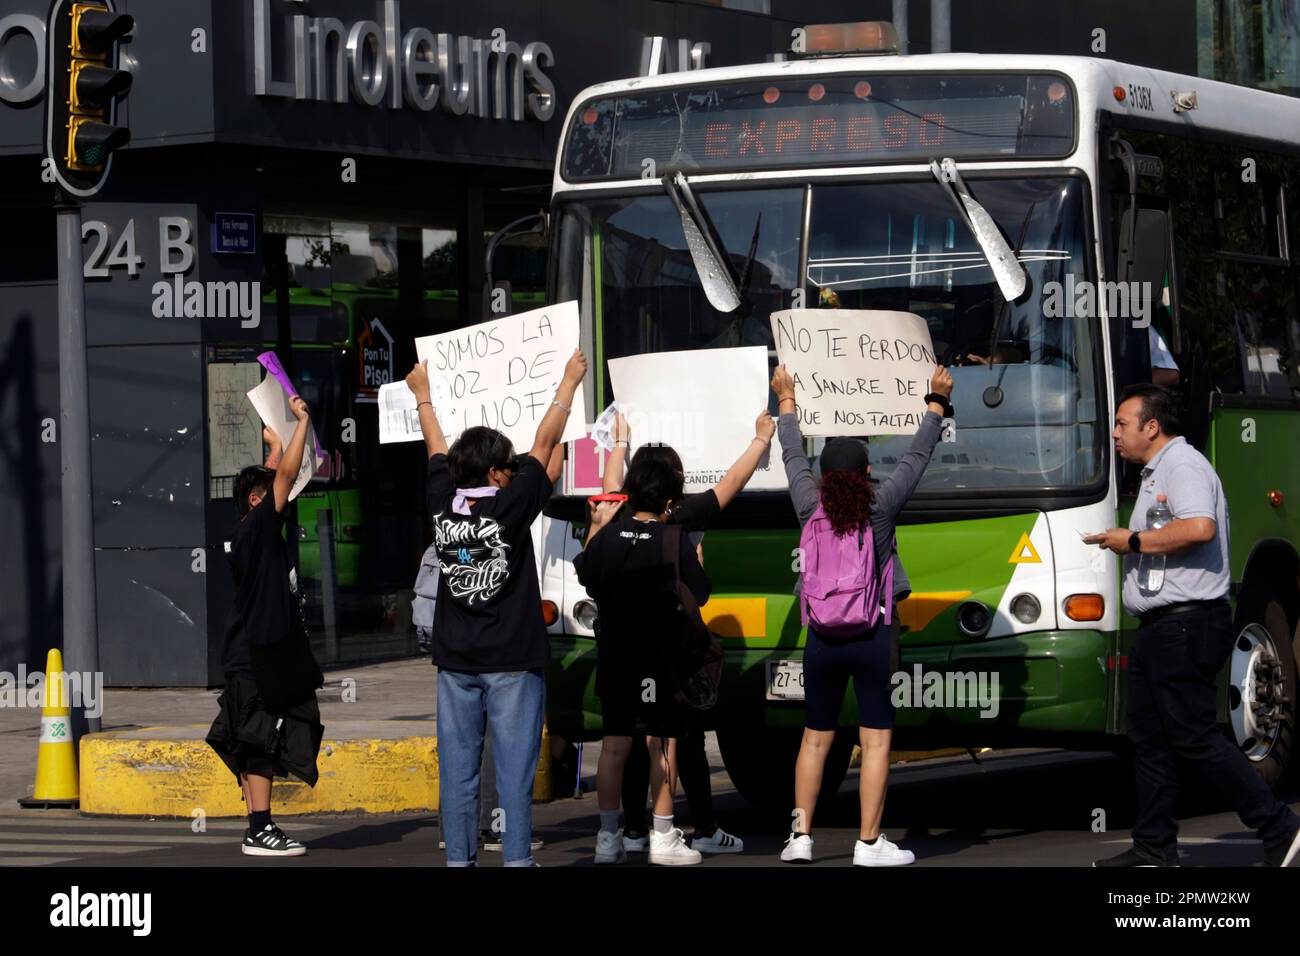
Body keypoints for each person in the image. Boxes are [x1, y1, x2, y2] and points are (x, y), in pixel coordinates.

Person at [1087, 384, 1299, 868]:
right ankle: (1154, 847)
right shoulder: (1155, 472)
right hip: (1159, 627)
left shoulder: (1184, 467)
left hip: (1186, 626)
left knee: (1195, 738)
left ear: (1152, 427)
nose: (1115, 433)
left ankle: (1280, 828)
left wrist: (1134, 540)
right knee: (1150, 741)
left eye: (1123, 424)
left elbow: (1200, 527)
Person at [407, 349, 586, 868]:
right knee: (514, 772)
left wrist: (423, 394)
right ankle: (514, 861)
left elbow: (435, 447)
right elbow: (546, 442)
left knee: (458, 772)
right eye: (507, 467)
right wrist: (568, 384)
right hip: (512, 662)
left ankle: (460, 862)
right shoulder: (511, 503)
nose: (514, 470)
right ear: (494, 471)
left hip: (457, 663)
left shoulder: (441, 498)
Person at [576, 408, 775, 865]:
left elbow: (589, 568)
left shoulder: (612, 527)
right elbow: (701, 588)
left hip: (614, 654)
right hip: (661, 657)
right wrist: (762, 440)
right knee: (667, 741)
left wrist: (616, 454)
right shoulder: (676, 529)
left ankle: (615, 835)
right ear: (671, 494)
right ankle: (670, 834)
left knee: (615, 746)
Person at [773, 363, 953, 866]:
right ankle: (869, 843)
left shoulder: (809, 504)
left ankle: (800, 838)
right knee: (874, 742)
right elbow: (918, 456)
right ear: (868, 473)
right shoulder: (881, 506)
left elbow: (791, 453)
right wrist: (936, 402)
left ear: (825, 475)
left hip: (821, 640)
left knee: (815, 739)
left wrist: (787, 398)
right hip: (873, 635)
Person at [207, 404, 325, 858]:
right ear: (257, 502)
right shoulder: (256, 528)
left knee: (260, 735)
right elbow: (287, 475)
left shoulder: (252, 529)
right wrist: (302, 425)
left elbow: (280, 474)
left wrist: (274, 448)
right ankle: (259, 828)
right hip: (255, 656)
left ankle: (260, 824)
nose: (286, 493)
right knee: (259, 740)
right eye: (273, 490)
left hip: (263, 654)